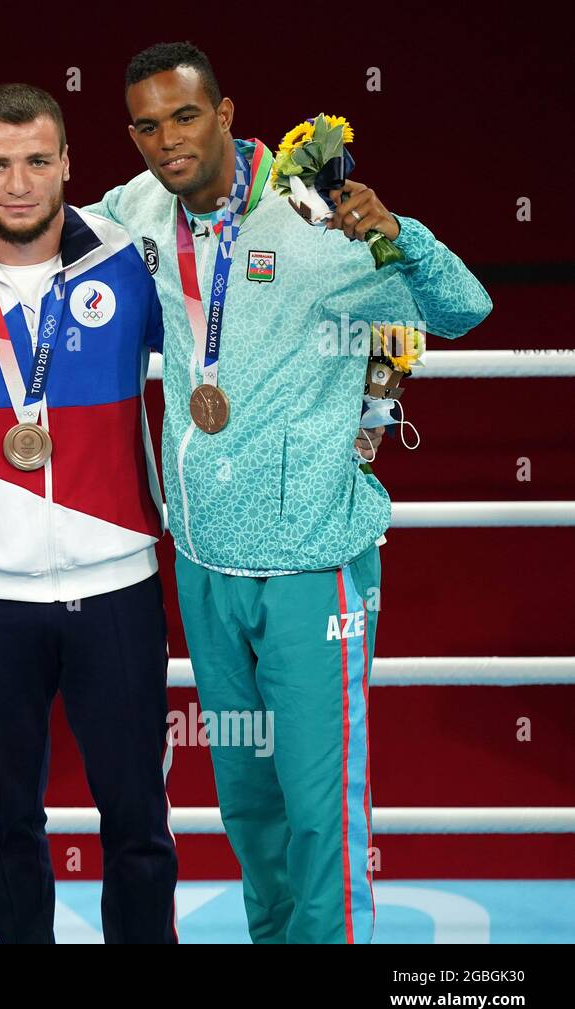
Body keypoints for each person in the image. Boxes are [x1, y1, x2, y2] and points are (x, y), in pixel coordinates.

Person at [87, 42, 493, 943]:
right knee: (250, 810)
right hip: (205, 568)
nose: (168, 141)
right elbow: (43, 234)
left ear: (226, 115)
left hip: (315, 568)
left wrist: (398, 231)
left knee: (321, 814)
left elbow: (465, 306)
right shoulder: (137, 210)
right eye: (148, 126)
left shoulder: (319, 221)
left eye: (185, 117)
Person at [0, 83, 177, 944]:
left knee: (139, 821)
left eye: (36, 162)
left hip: (120, 589)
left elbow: (224, 347)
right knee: (6, 822)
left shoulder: (134, 256)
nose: (18, 184)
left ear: (68, 164)